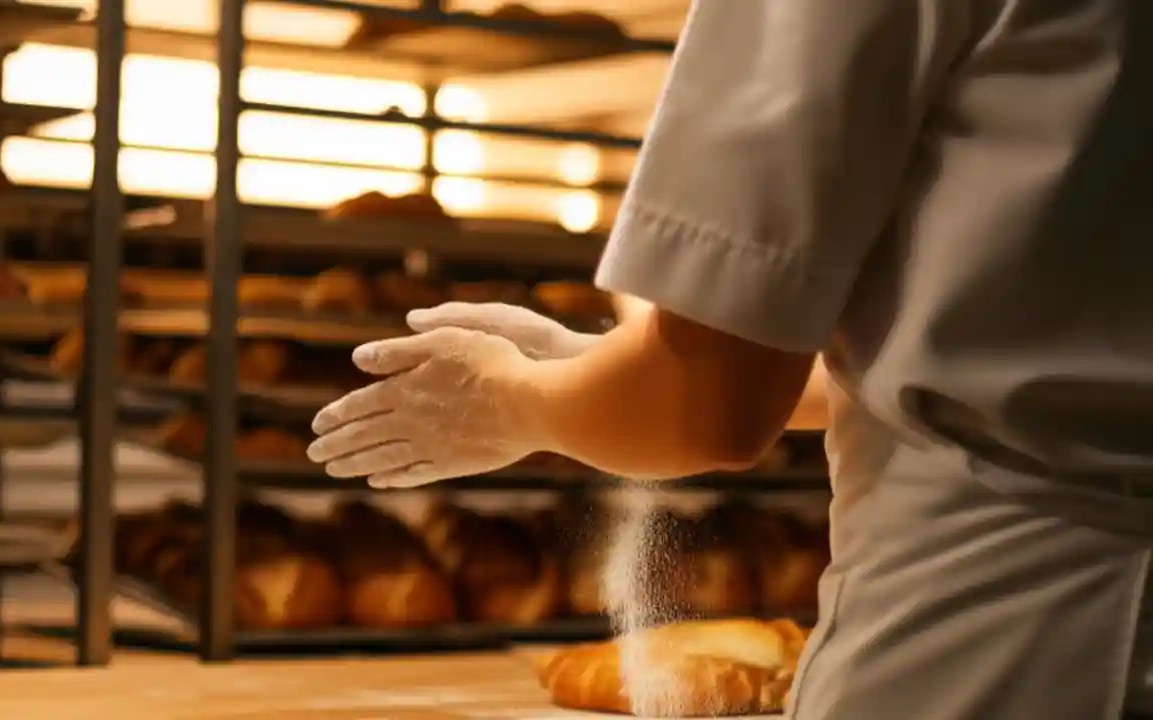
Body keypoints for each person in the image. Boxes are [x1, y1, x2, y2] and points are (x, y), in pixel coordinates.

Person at [308, 1, 1152, 717]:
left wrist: (517, 403)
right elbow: (999, 357)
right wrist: (588, 368)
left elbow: (700, 408)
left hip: (996, 645)